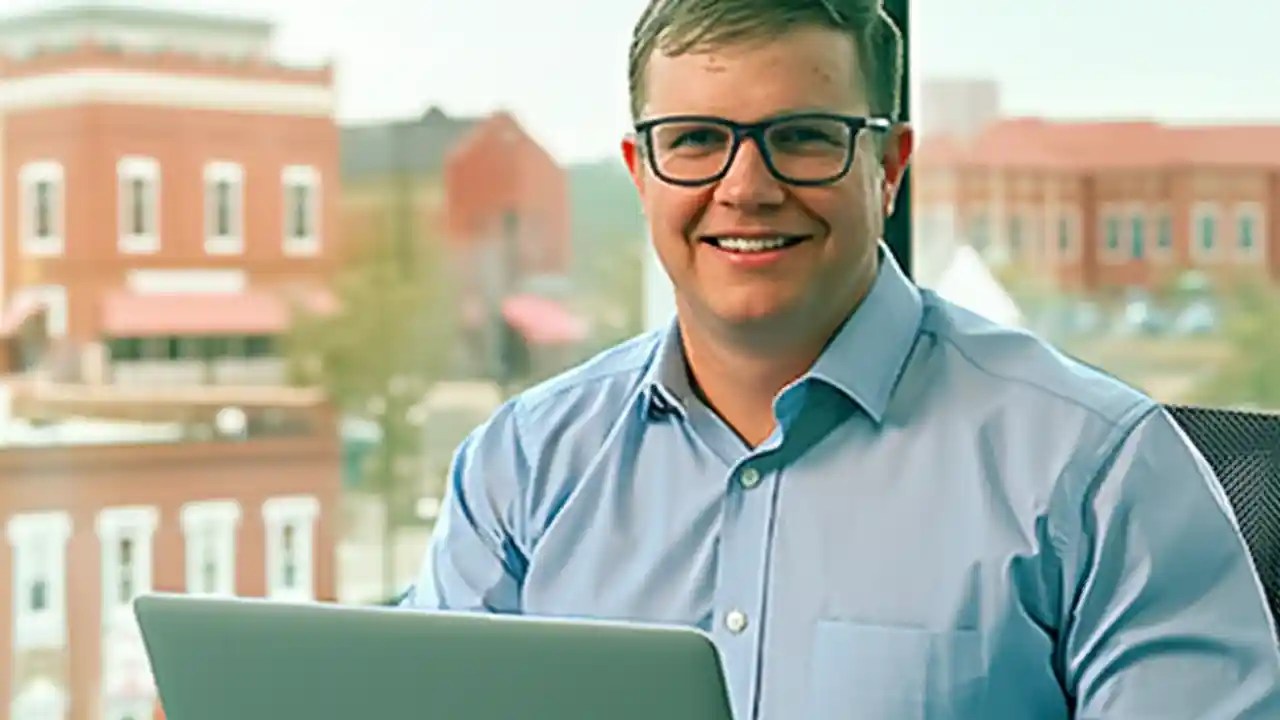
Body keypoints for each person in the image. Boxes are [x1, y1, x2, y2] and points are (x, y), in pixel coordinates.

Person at [403, 0, 1280, 717]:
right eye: (697, 140)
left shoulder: (1096, 467)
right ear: (641, 171)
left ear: (889, 166)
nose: (746, 187)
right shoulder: (521, 466)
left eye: (807, 136)